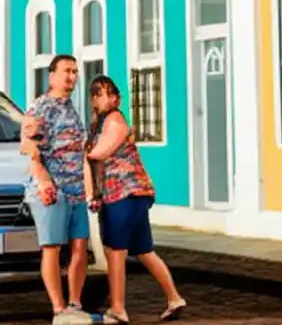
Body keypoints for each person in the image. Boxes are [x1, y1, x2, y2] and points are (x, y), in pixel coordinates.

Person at [86, 76, 186, 323]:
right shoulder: (99, 125)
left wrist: (79, 152)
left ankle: (118, 308)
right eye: (98, 94)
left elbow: (100, 153)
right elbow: (97, 165)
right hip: (125, 194)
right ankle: (174, 298)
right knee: (144, 250)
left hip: (125, 193)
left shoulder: (116, 121)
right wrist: (96, 194)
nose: (103, 99)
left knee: (115, 250)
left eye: (108, 94)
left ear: (116, 99)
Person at [20, 54, 97, 324]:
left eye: (75, 71)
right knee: (52, 247)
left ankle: (75, 304)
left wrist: (90, 191)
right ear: (52, 75)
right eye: (66, 71)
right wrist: (43, 181)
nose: (72, 76)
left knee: (80, 247)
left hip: (75, 189)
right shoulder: (41, 107)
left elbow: (81, 152)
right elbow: (30, 149)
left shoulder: (71, 108)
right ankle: (58, 308)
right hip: (53, 190)